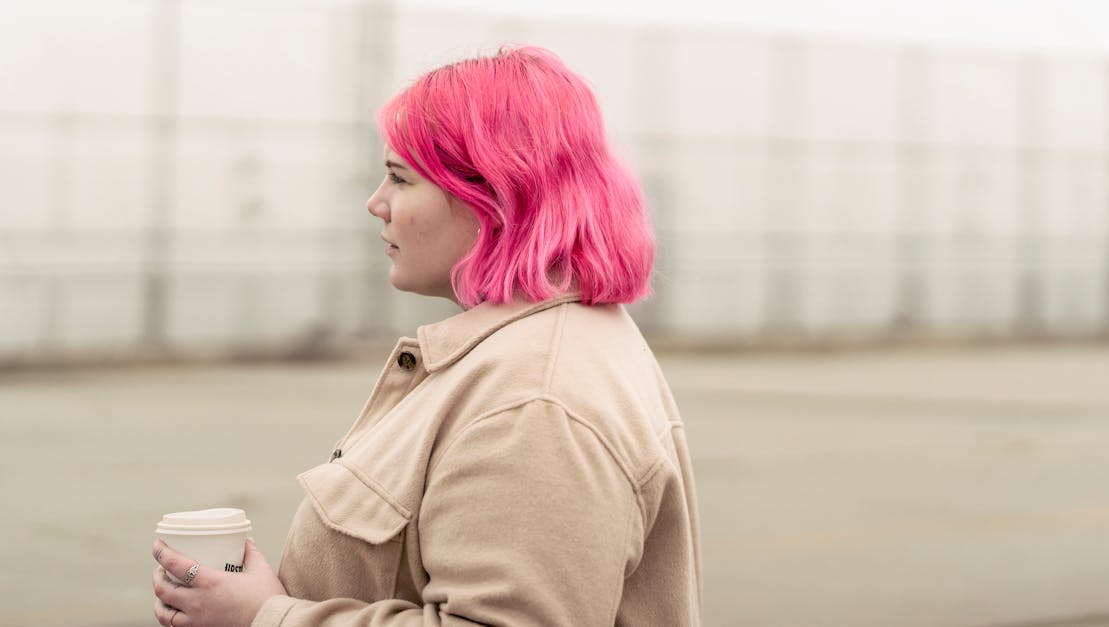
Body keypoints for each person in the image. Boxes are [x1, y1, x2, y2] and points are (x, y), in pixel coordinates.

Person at [151, 44, 702, 627]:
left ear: (493, 195)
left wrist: (266, 616)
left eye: (399, 178)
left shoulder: (532, 401)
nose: (376, 203)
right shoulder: (543, 348)